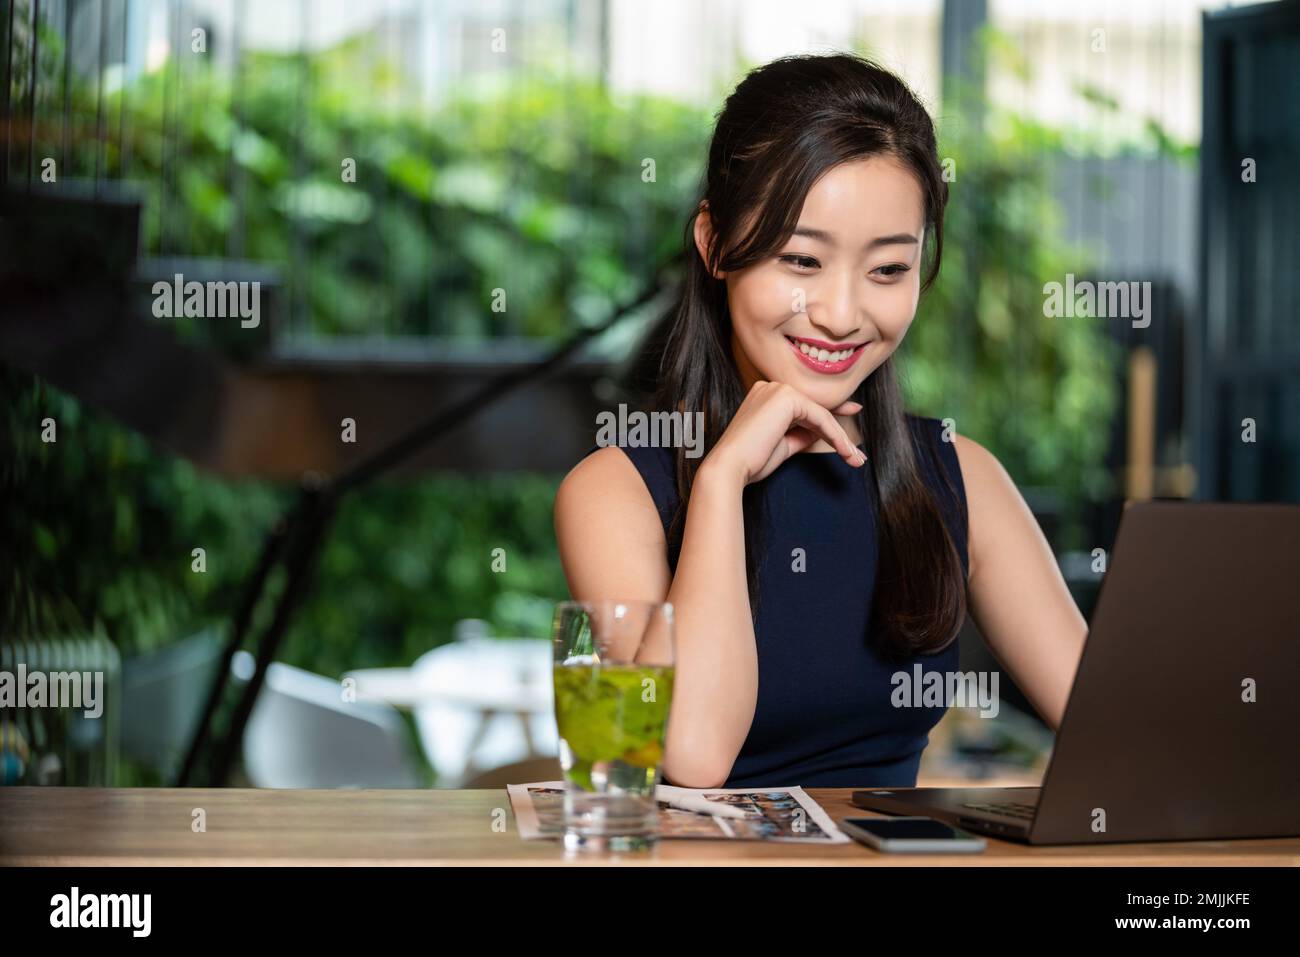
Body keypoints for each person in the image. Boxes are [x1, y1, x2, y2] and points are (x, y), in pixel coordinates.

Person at [554, 52, 1087, 788]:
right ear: (714, 244)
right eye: (802, 261)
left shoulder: (960, 476)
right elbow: (692, 754)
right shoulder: (614, 492)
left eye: (889, 269)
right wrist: (721, 484)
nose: (840, 315)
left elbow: (1115, 734)